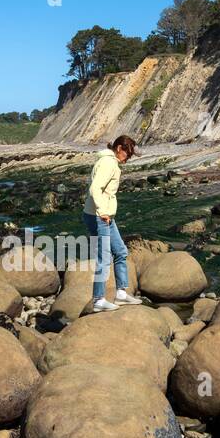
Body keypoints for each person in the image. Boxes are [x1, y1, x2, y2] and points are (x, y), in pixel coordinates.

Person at [83, 134, 144, 312]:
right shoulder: (108, 163)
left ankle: (121, 294)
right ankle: (98, 300)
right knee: (105, 256)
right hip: (99, 215)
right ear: (119, 148)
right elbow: (95, 188)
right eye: (128, 153)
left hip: (103, 215)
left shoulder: (110, 162)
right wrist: (102, 211)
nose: (128, 157)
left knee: (120, 251)